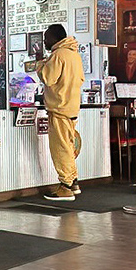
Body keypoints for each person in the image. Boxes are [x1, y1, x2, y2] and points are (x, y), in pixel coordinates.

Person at [36, 24, 85, 201]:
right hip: (71, 107)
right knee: (68, 146)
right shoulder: (74, 55)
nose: (45, 42)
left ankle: (65, 187)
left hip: (59, 108)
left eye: (46, 38)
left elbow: (48, 78)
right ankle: (73, 182)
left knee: (60, 149)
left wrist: (40, 63)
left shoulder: (58, 55)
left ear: (55, 38)